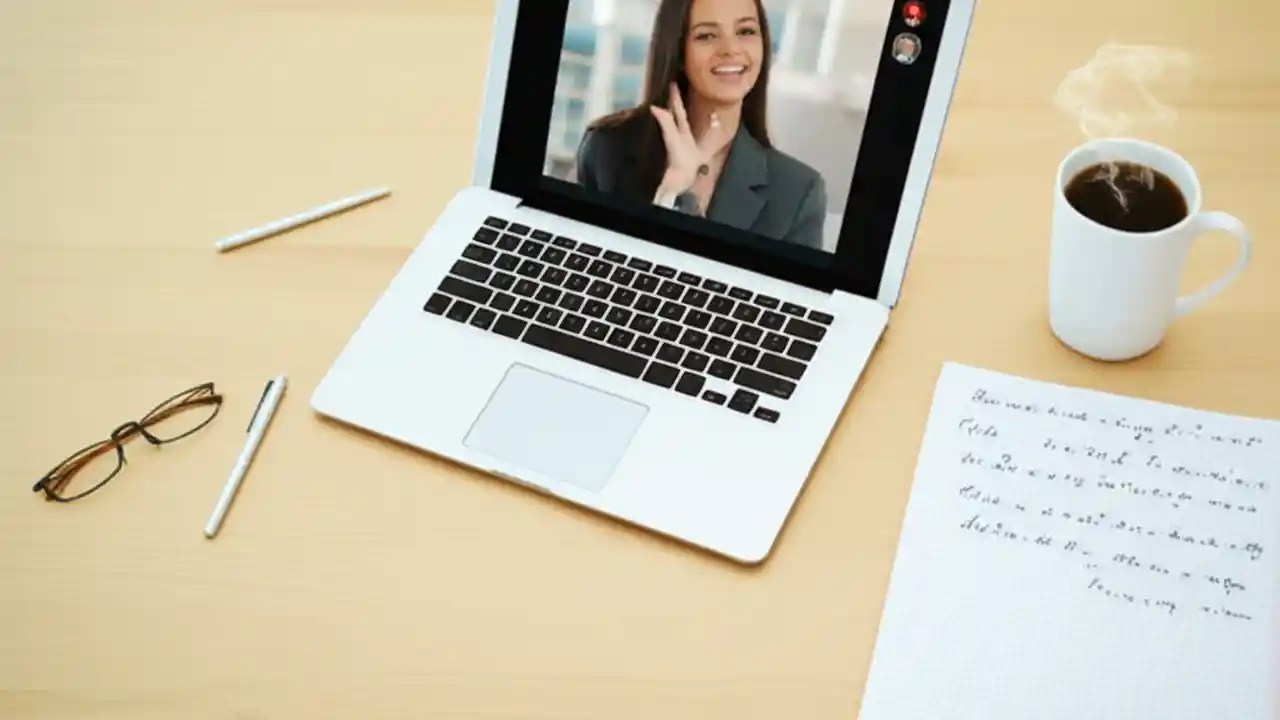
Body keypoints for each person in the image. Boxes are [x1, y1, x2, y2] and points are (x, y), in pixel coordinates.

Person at [574, 0, 828, 251]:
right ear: (678, 51)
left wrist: (684, 201)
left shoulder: (798, 191)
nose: (731, 49)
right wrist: (672, 191)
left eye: (745, 31)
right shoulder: (606, 148)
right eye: (707, 35)